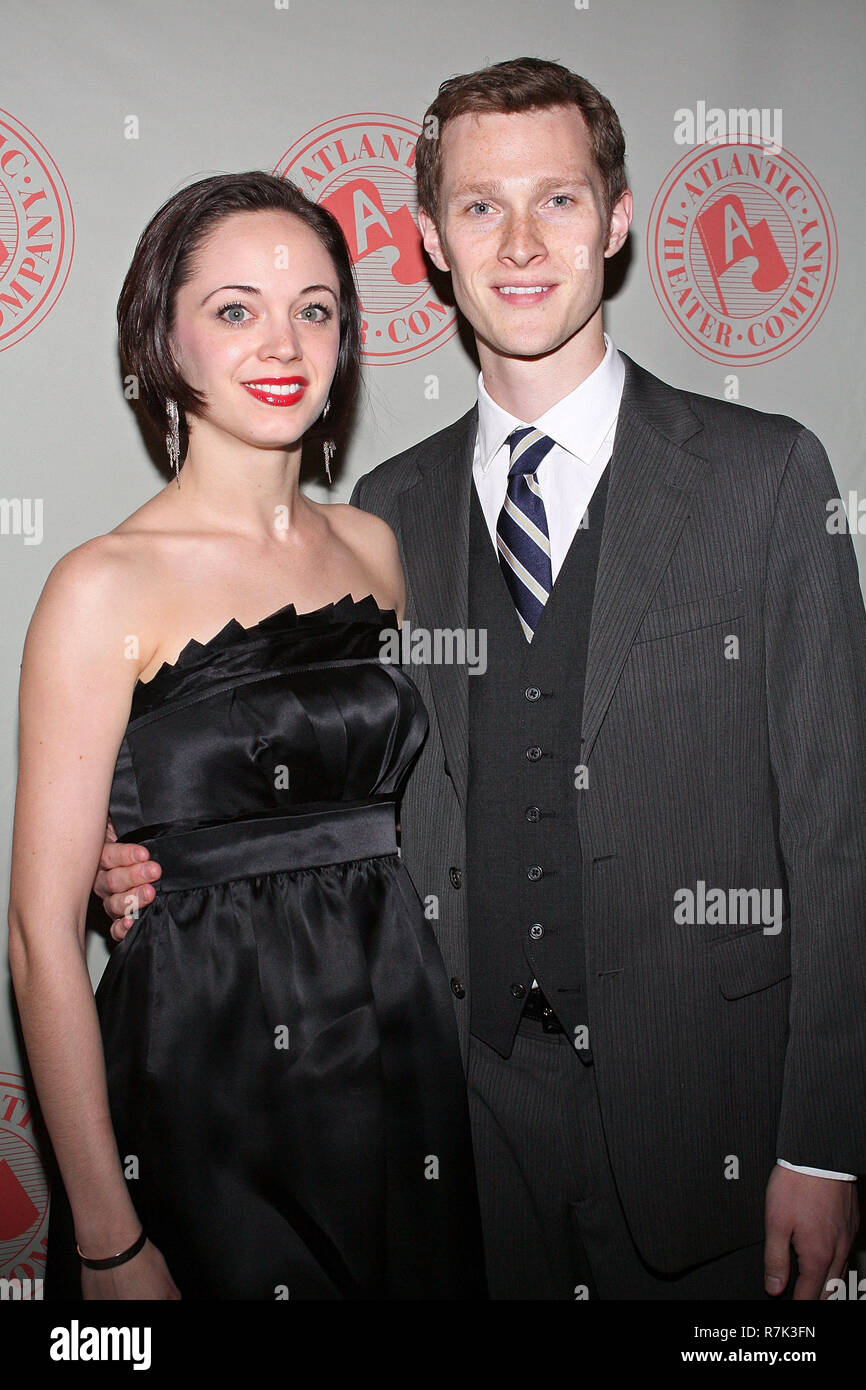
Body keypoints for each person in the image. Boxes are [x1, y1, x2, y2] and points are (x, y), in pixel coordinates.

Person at [94, 59, 866, 1300]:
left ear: (614, 222)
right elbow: (330, 782)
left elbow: (842, 831)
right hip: (450, 1127)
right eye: (476, 206)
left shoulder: (763, 477)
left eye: (556, 201)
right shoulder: (387, 512)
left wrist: (822, 1142)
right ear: (429, 242)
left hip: (712, 1130)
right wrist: (155, 855)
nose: (517, 242)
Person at [8, 170, 486, 1301]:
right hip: (205, 1060)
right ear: (162, 339)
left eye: (314, 309)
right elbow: (38, 939)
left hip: (396, 1038)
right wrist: (108, 1240)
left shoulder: (374, 546)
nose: (283, 343)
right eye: (234, 309)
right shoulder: (100, 585)